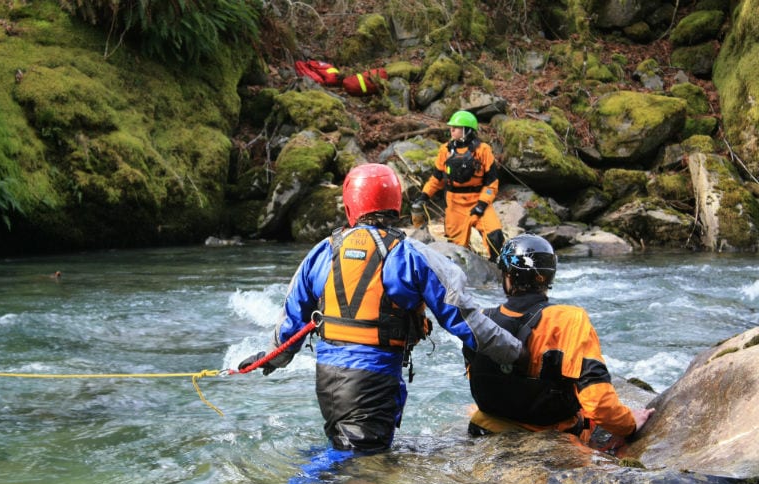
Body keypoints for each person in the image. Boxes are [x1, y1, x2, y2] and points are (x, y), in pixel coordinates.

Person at [239, 163, 524, 456]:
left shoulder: (323, 251)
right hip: (372, 382)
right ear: (394, 205)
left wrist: (272, 358)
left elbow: (293, 315)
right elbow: (464, 319)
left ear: (351, 206)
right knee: (357, 464)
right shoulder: (409, 254)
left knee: (346, 450)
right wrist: (516, 353)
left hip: (328, 381)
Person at [462, 233, 654, 450]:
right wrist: (628, 424)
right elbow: (598, 402)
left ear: (507, 276)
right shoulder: (569, 320)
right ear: (548, 276)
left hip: (484, 428)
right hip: (547, 439)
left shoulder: (480, 319)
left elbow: (476, 375)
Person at [411, 110, 505, 261]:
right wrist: (424, 195)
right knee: (456, 252)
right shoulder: (445, 150)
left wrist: (481, 204)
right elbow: (437, 178)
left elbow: (491, 183)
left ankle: (499, 271)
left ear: (467, 130)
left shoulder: (483, 150)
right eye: (451, 127)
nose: (451, 130)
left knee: (495, 237)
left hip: (478, 203)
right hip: (455, 204)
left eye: (456, 127)